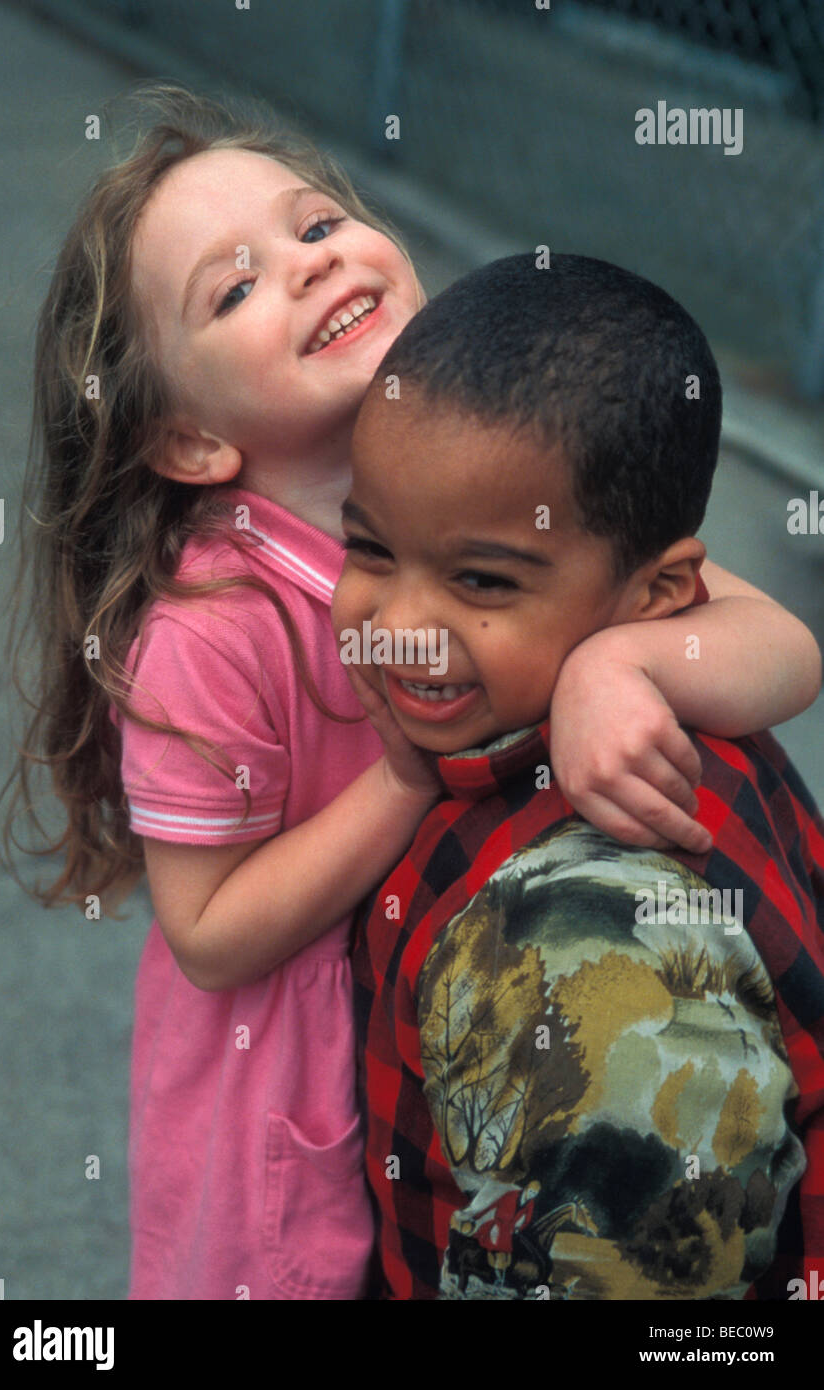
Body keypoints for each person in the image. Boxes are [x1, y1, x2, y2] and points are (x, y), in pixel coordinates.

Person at [0, 86, 819, 1301]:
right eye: (233, 288)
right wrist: (399, 780)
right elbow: (209, 934)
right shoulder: (212, 629)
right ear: (188, 442)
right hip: (291, 1076)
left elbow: (782, 642)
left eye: (317, 227)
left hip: (469, 1002)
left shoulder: (515, 454)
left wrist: (622, 661)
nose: (309, 270)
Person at [333, 253, 824, 1300]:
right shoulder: (669, 682)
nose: (402, 628)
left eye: (480, 580)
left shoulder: (586, 948)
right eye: (369, 547)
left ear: (658, 591)